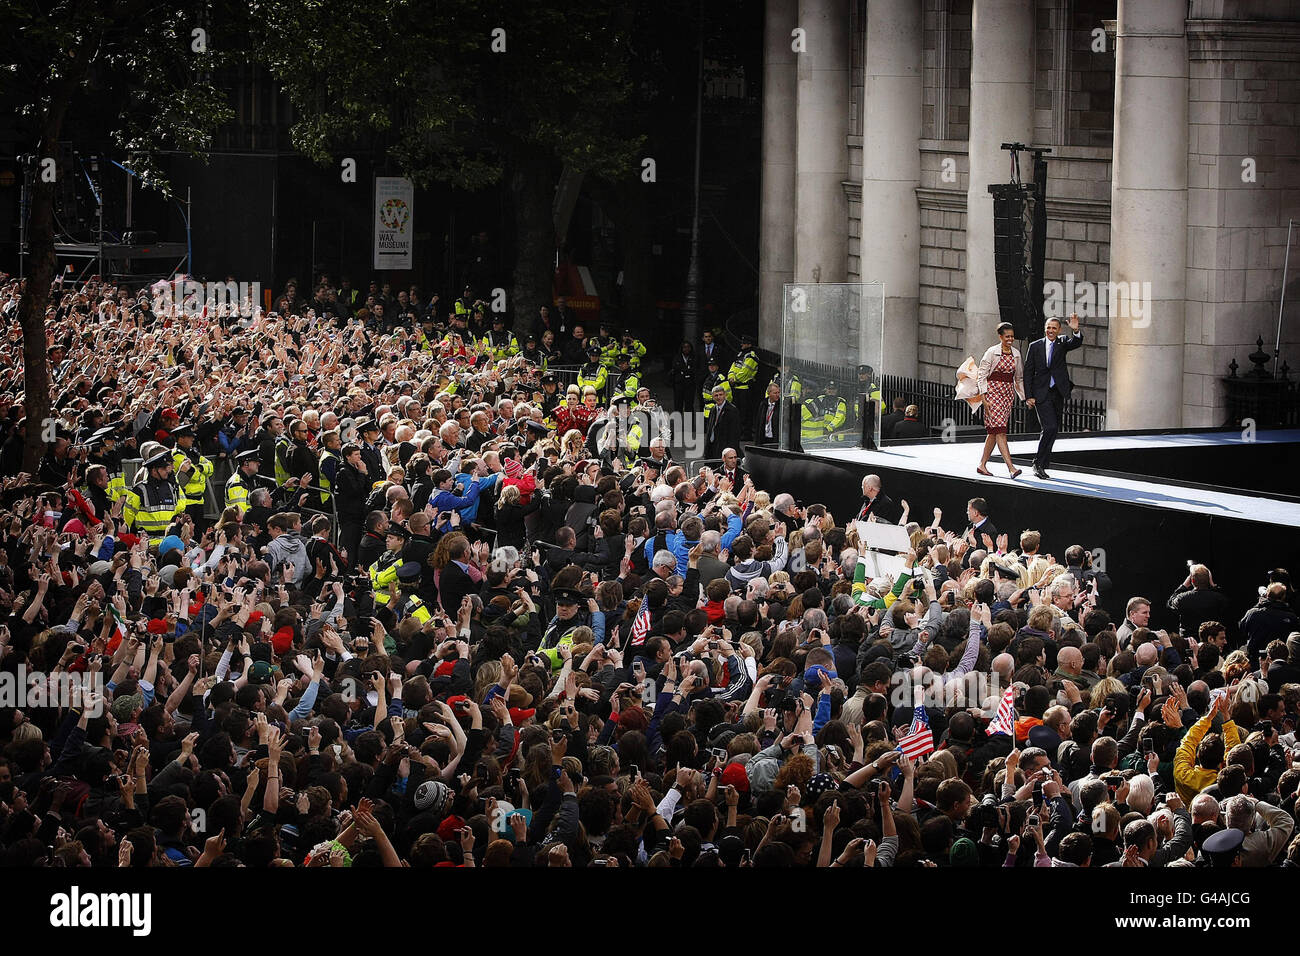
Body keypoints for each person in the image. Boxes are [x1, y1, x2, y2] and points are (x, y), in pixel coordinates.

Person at [1021, 313, 1082, 480]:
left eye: (1054, 328)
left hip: (1058, 392)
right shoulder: (1035, 346)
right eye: (1048, 327)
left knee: (1053, 430)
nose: (1051, 330)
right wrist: (1029, 396)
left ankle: (1043, 463)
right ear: (1044, 329)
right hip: (1041, 393)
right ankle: (1037, 463)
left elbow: (1076, 342)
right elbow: (1027, 373)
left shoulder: (1062, 343)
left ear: (1059, 330)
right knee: (1049, 427)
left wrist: (1076, 330)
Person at [975, 322, 1025, 478]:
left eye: (1012, 336)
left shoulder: (1016, 353)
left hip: (1007, 394)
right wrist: (984, 398)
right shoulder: (991, 352)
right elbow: (982, 376)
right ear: (1000, 337)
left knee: (994, 432)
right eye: (1007, 336)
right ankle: (1011, 467)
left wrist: (1024, 397)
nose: (1010, 339)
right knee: (1001, 431)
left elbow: (1019, 378)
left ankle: (982, 464)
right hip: (992, 393)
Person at [704, 385, 740, 460]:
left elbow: (735, 433)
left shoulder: (732, 410)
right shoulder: (713, 409)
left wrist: (730, 452)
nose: (718, 397)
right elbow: (710, 429)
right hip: (712, 447)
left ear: (725, 395)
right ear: (713, 397)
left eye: (721, 395)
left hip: (724, 448)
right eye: (716, 395)